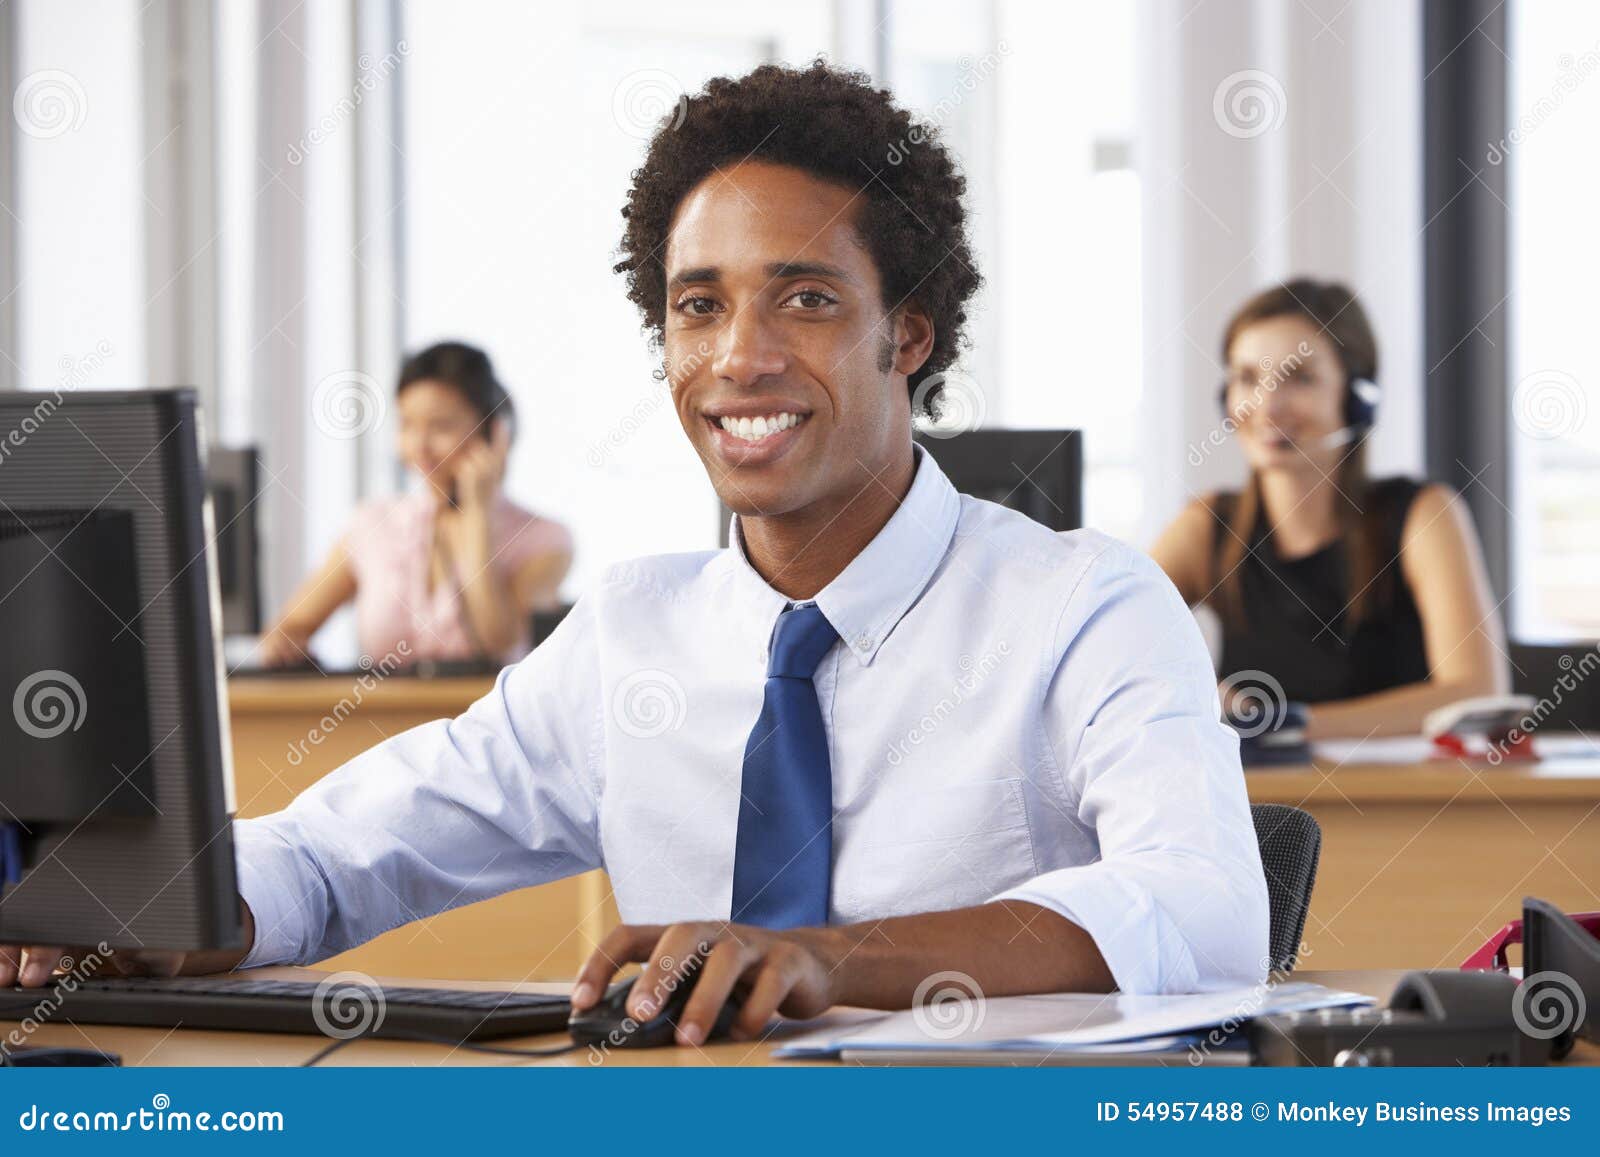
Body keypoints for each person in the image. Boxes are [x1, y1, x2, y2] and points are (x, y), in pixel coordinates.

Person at [1, 62, 1267, 1045]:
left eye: (807, 298)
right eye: (697, 303)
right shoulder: (634, 634)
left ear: (911, 334)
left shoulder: (1083, 603)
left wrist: (837, 954)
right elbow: (342, 853)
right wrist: (155, 919)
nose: (740, 357)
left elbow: (1206, 903)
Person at [1150, 279, 1508, 739]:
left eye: (1299, 378)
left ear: (1356, 400)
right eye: (1248, 379)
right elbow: (1107, 645)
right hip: (1256, 807)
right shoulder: (1208, 526)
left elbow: (1476, 692)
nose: (1268, 405)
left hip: (1396, 803)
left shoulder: (1423, 515)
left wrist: (1284, 725)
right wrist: (1198, 695)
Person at [256, 342, 573, 668]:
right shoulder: (372, 525)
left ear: (492, 434)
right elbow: (286, 631)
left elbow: (498, 643)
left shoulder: (545, 539)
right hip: (385, 718)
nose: (419, 446)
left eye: (440, 426)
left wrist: (477, 517)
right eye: (407, 425)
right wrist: (285, 647)